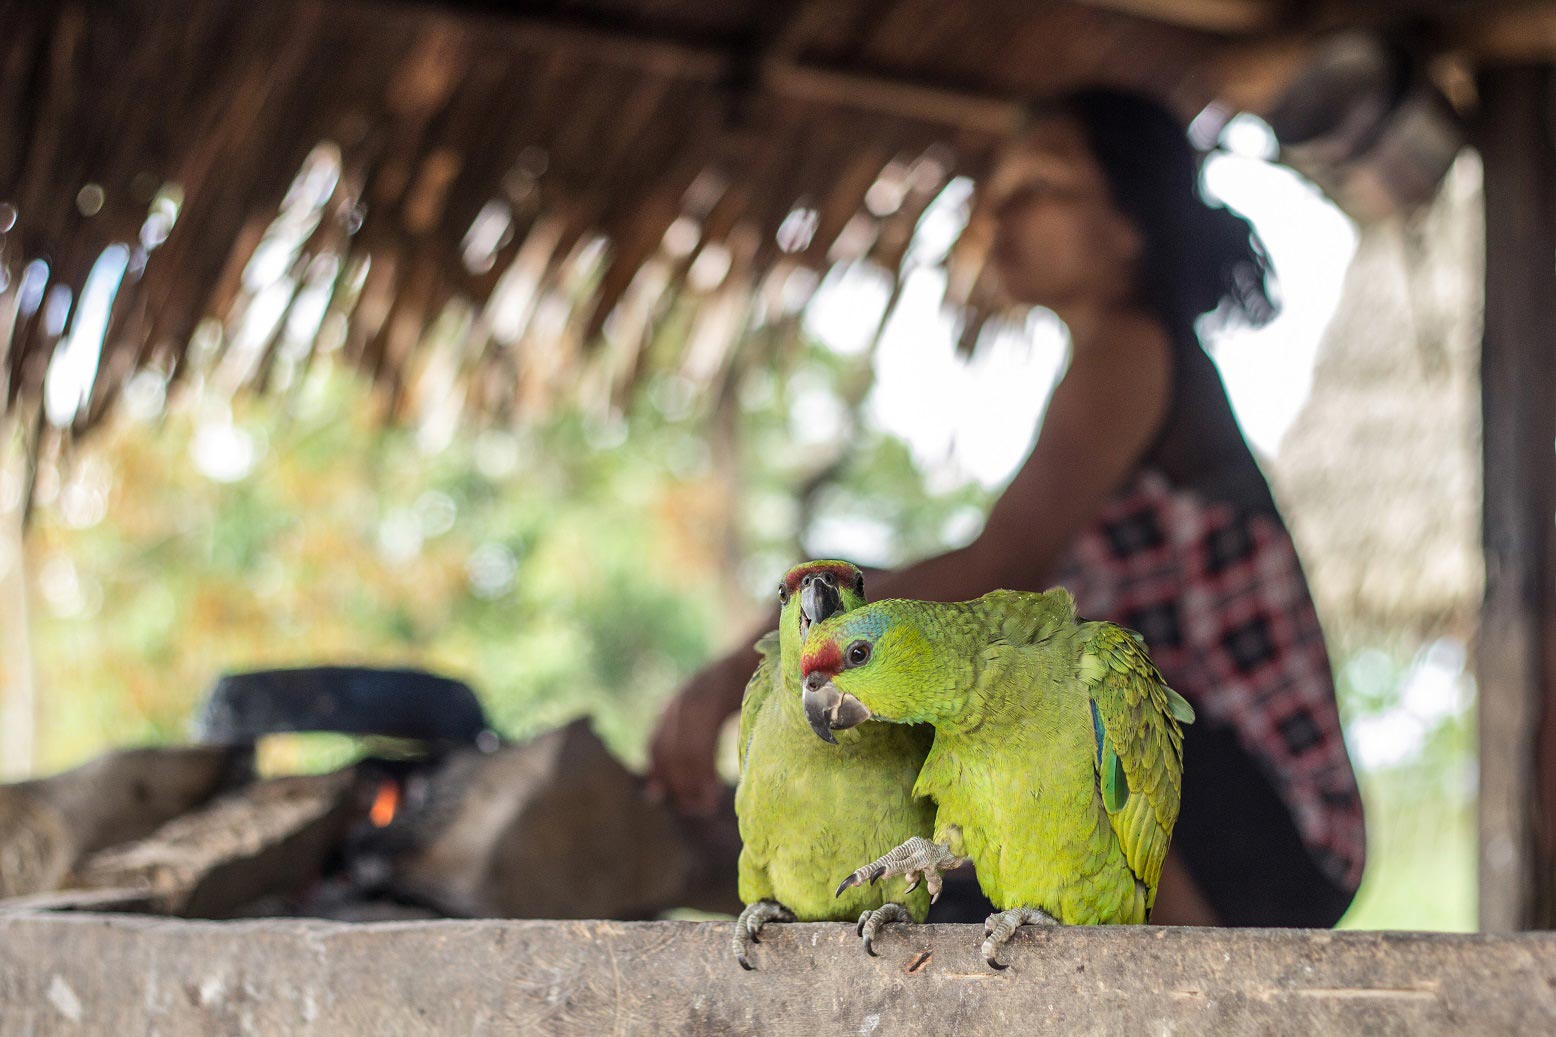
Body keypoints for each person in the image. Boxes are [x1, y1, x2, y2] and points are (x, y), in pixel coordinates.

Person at [649, 87, 1364, 927]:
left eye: (1041, 187)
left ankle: (1171, 961)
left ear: (1128, 224)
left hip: (1266, 835)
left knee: (1023, 683)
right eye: (998, 194)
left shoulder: (1132, 349)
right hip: (1203, 813)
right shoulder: (1114, 360)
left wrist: (765, 659)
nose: (999, 216)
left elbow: (999, 566)